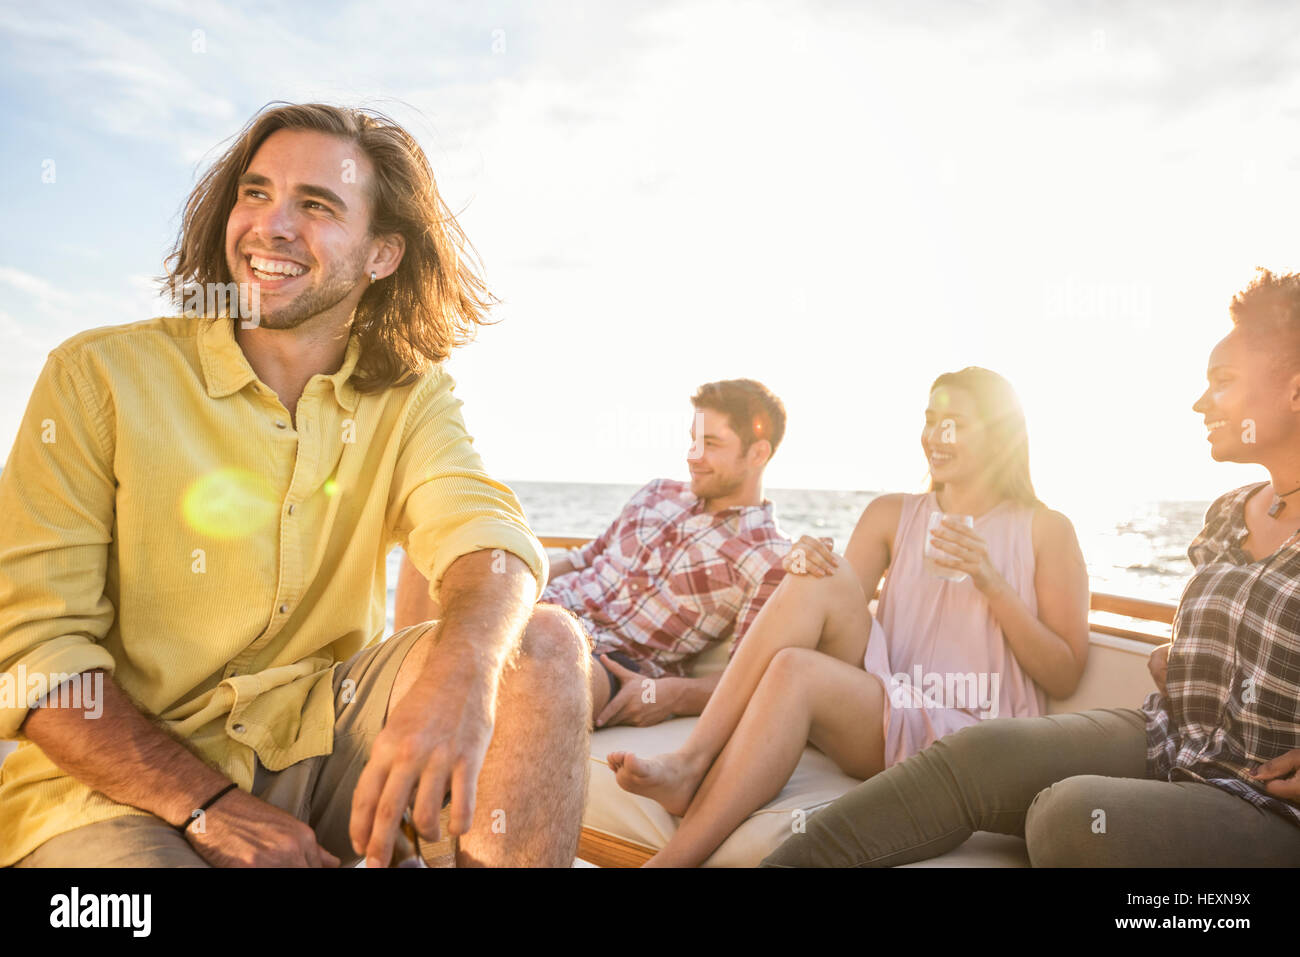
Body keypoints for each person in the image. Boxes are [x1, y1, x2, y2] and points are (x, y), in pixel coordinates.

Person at [0, 102, 590, 869]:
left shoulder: (411, 396)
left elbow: (487, 533)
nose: (271, 226)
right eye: (255, 193)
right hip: (112, 786)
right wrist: (211, 807)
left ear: (381, 255)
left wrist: (466, 670)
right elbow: (36, 654)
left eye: (315, 205)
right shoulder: (96, 377)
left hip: (320, 744)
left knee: (543, 647)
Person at [763, 269, 1300, 868]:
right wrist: (1196, 660)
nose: (1201, 402)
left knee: (1070, 819)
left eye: (1222, 383)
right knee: (976, 751)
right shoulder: (1229, 514)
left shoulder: (1046, 528)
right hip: (1172, 740)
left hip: (1269, 803)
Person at [610, 367, 1091, 866]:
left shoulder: (1046, 529)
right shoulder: (891, 513)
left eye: (956, 423)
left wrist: (989, 579)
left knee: (797, 670)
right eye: (931, 419)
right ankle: (690, 762)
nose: (935, 436)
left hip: (975, 737)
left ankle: (673, 860)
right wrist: (801, 564)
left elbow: (1065, 670)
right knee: (816, 577)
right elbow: (827, 614)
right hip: (888, 704)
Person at [397, 379, 792, 729]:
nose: (692, 455)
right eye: (692, 439)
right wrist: (500, 576)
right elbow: (584, 559)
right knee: (441, 551)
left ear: (757, 454)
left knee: (545, 664)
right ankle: (392, 708)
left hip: (608, 659)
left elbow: (745, 676)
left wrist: (670, 694)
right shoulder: (656, 493)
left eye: (710, 444)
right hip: (537, 607)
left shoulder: (768, 556)